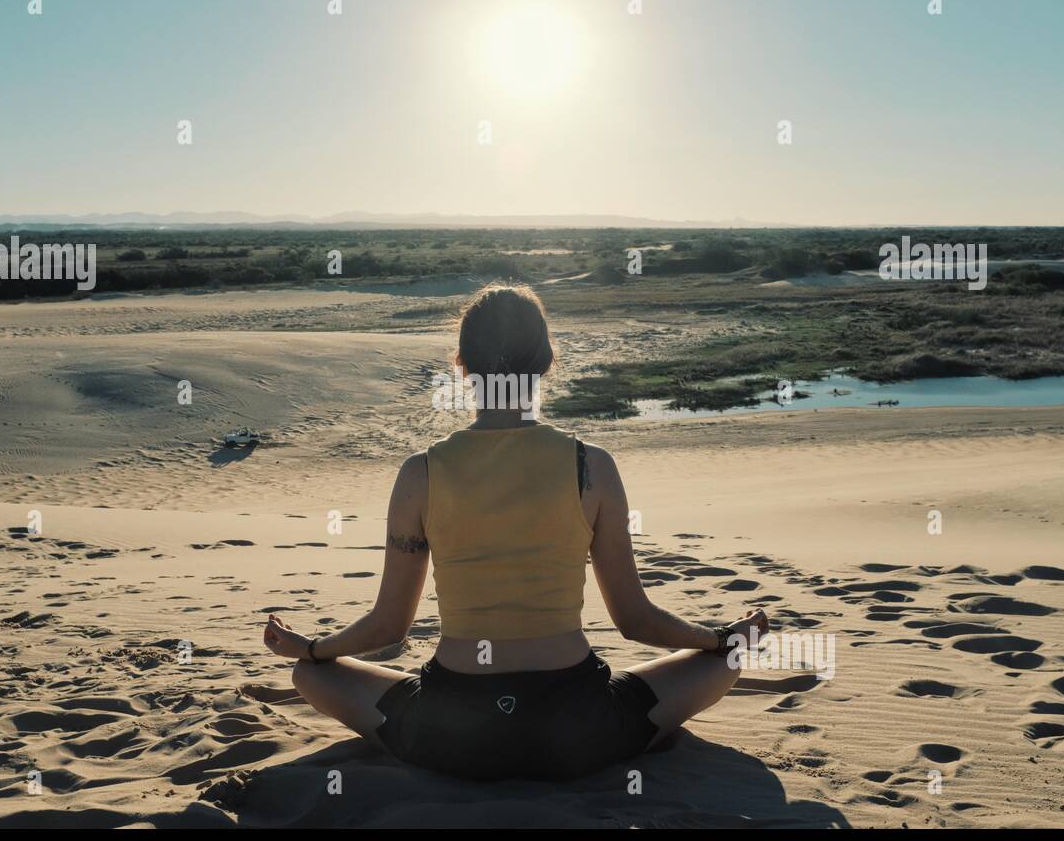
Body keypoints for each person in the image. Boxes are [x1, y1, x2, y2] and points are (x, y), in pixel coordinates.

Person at [263, 283, 769, 780]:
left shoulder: (421, 472)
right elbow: (636, 622)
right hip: (576, 731)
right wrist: (721, 637)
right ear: (548, 361)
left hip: (451, 732)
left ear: (461, 364)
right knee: (723, 662)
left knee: (311, 676)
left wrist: (309, 649)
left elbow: (387, 628)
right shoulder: (589, 466)